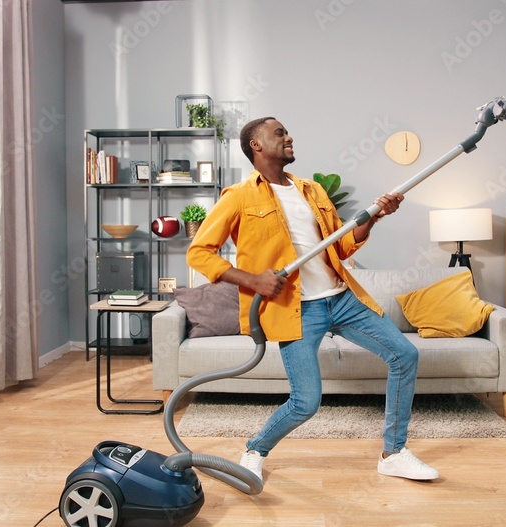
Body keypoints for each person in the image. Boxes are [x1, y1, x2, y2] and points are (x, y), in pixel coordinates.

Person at [186, 116, 439, 482]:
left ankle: (393, 452)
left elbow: (343, 245)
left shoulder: (312, 191)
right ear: (256, 146)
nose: (289, 137)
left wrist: (375, 216)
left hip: (341, 298)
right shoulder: (239, 197)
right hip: (296, 310)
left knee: (405, 353)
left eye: (287, 132)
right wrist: (252, 280)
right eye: (279, 133)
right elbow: (199, 253)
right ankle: (255, 448)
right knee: (306, 402)